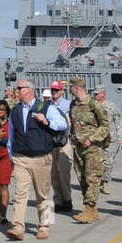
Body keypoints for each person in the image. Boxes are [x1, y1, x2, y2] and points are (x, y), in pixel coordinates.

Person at [6, 77, 67, 242]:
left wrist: (46, 122)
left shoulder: (46, 107)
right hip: (21, 158)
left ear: (28, 90)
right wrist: (11, 155)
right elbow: (11, 135)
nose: (16, 91)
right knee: (20, 194)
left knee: (43, 194)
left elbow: (63, 124)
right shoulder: (15, 111)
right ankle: (18, 227)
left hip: (41, 158)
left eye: (19, 88)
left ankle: (44, 226)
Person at [68, 77, 109, 224]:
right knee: (82, 178)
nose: (70, 89)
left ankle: (89, 208)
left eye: (71, 87)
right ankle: (91, 209)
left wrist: (91, 139)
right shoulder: (73, 105)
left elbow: (105, 128)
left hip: (92, 149)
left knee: (92, 178)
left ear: (76, 88)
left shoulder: (94, 105)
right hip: (78, 148)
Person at [48, 80, 73, 214]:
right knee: (53, 173)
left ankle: (67, 200)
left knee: (63, 171)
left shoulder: (68, 105)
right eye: (52, 90)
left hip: (64, 142)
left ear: (62, 91)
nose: (54, 92)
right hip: (52, 142)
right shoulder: (46, 104)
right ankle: (58, 200)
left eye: (56, 90)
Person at [93, 85, 122, 196]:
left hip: (110, 139)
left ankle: (105, 182)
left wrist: (121, 139)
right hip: (95, 139)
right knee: (95, 163)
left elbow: (118, 122)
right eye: (94, 94)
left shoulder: (111, 106)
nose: (94, 95)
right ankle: (96, 182)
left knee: (108, 163)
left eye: (97, 94)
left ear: (103, 94)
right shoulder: (91, 106)